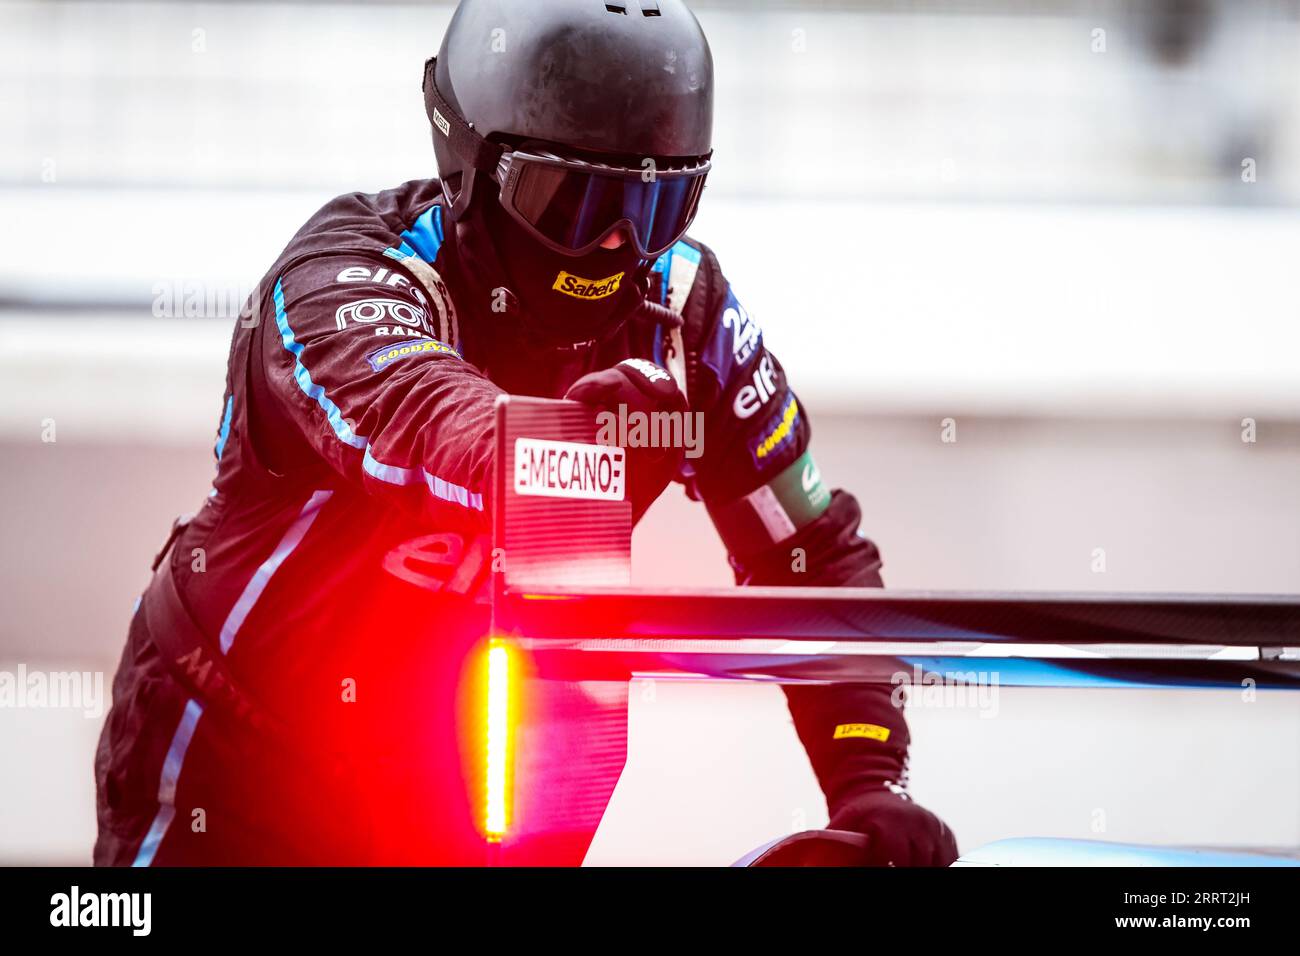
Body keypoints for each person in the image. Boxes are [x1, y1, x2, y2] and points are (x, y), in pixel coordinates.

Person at [94, 0, 958, 867]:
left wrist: (868, 776)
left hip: (472, 787)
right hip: (236, 761)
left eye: (661, 204)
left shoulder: (687, 312)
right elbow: (424, 415)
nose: (620, 245)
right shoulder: (341, 277)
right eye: (575, 201)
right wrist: (569, 444)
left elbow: (808, 554)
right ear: (469, 162)